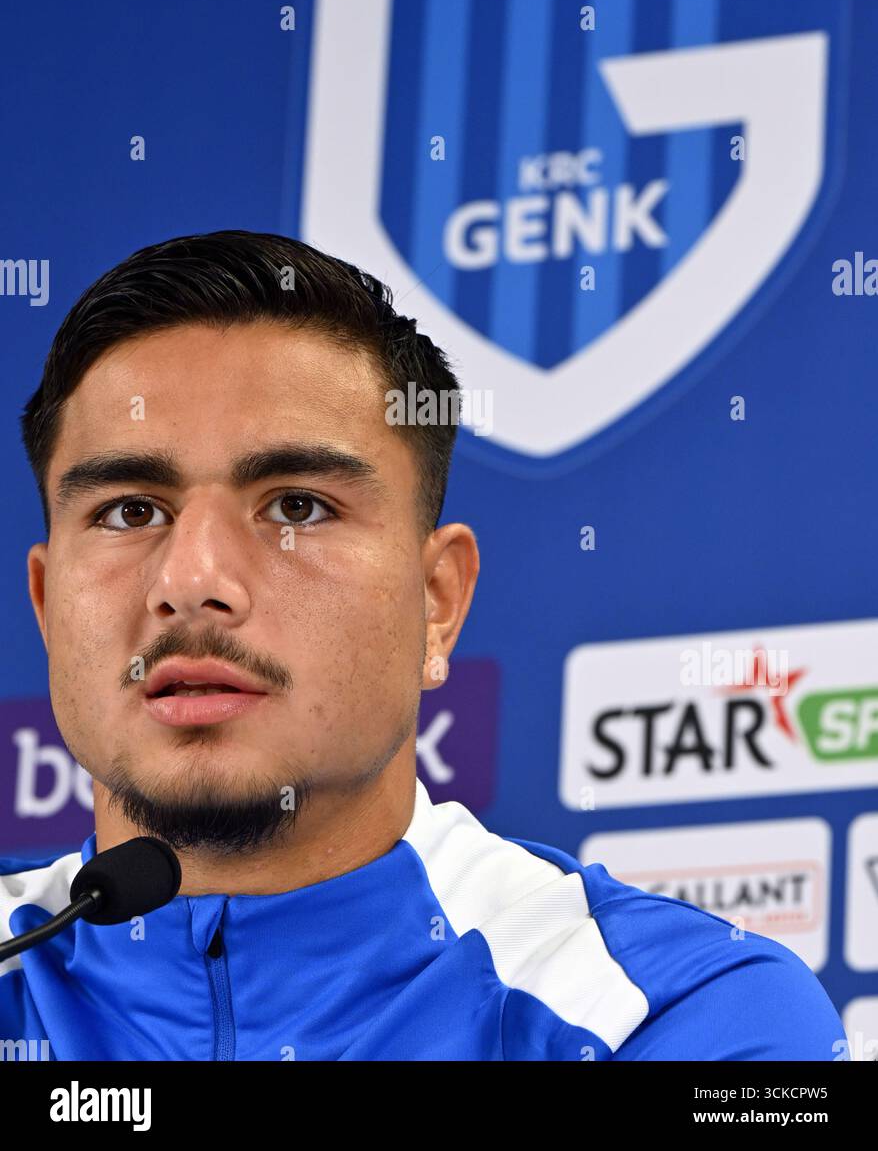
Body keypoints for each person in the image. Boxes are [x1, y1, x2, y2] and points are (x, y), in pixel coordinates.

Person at [0, 230, 847, 1060]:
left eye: (296, 507)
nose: (191, 581)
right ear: (45, 604)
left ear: (437, 604)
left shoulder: (671, 1009)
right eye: (130, 511)